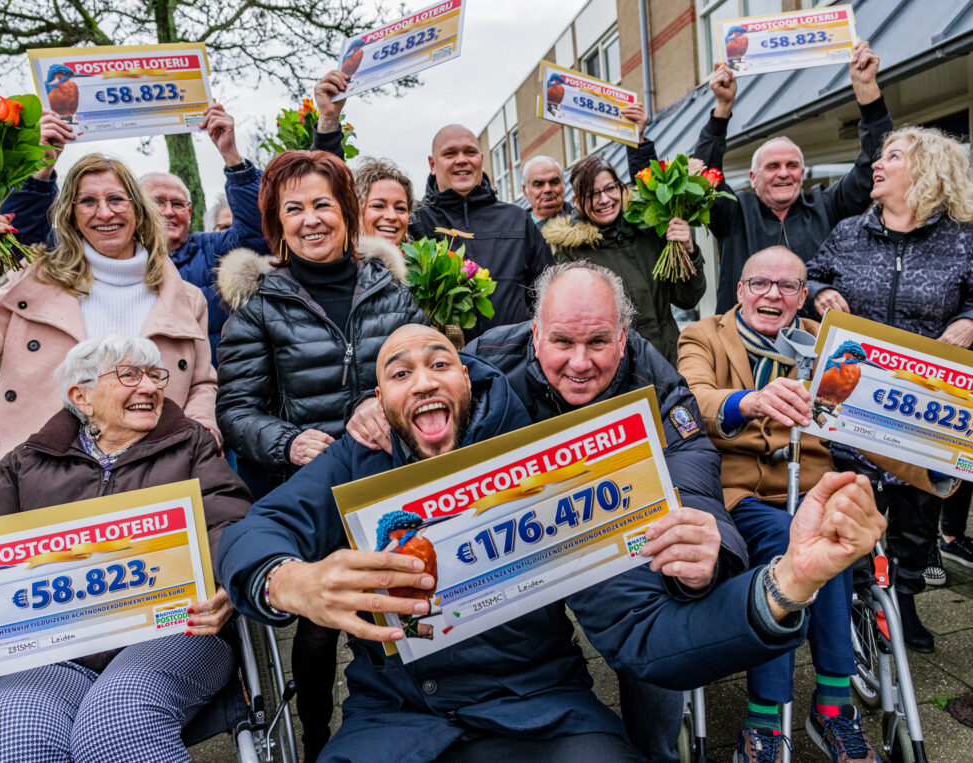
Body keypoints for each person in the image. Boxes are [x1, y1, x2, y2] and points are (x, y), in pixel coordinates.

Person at [218, 322, 886, 762]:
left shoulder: (548, 467)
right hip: (395, 717)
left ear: (471, 379)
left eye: (439, 363)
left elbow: (647, 637)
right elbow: (254, 530)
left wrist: (785, 583)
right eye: (398, 372)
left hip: (542, 710)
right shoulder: (357, 460)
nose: (422, 379)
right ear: (380, 402)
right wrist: (287, 581)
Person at [677, 246, 954, 763]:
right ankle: (764, 717)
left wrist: (941, 461)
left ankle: (832, 708)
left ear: (803, 296)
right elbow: (693, 399)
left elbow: (873, 425)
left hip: (815, 487)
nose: (772, 295)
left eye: (787, 287)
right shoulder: (704, 335)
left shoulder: (834, 346)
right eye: (760, 283)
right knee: (792, 539)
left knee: (835, 529)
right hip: (739, 492)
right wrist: (749, 401)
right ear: (740, 290)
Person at [463, 261, 736, 760]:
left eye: (598, 343)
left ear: (624, 334)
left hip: (613, 534)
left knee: (657, 611)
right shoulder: (485, 360)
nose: (581, 362)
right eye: (563, 342)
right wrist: (379, 410)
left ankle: (657, 752)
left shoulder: (650, 372)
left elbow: (691, 457)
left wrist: (705, 543)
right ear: (536, 334)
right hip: (520, 545)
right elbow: (421, 404)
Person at [215, 148, 426, 760]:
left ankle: (407, 711)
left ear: (347, 212)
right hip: (313, 482)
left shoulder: (389, 288)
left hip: (392, 472)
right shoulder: (258, 303)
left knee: (405, 591)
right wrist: (289, 440)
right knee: (318, 625)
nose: (311, 219)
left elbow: (422, 364)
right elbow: (237, 409)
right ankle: (315, 735)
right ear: (277, 223)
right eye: (294, 209)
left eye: (323, 205)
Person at [0, 334, 251, 762]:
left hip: (170, 633)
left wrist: (227, 582)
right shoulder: (29, 461)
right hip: (51, 651)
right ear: (81, 396)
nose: (149, 387)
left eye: (153, 374)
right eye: (128, 375)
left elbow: (231, 520)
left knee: (116, 723)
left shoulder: (190, 445)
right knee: (7, 736)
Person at [0, 154, 217, 502]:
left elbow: (202, 382)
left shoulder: (185, 297)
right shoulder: (35, 281)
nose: (104, 213)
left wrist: (202, 433)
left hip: (152, 482)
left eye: (116, 199)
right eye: (87, 201)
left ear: (138, 209)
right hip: (33, 482)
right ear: (71, 214)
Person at [807, 125, 973, 652]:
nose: (877, 165)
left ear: (926, 170)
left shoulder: (963, 236)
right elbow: (810, 275)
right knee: (853, 496)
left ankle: (902, 598)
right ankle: (860, 599)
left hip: (928, 400)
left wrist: (971, 320)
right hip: (855, 393)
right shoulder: (850, 232)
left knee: (917, 505)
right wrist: (823, 291)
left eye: (892, 156)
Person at [2, 104, 265, 365]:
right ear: (139, 208)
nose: (168, 211)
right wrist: (41, 168)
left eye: (178, 204)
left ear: (190, 210)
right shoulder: (85, 254)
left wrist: (233, 160)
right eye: (158, 202)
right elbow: (21, 242)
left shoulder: (212, 251)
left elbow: (258, 235)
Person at [310, 69, 556, 340]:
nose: (461, 160)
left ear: (481, 159)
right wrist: (329, 121)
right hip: (443, 367)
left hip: (516, 364)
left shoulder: (517, 220)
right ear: (432, 164)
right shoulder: (414, 221)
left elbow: (550, 293)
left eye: (470, 152)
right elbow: (332, 198)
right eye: (450, 154)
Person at [694, 41, 890, 313]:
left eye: (792, 165)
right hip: (743, 346)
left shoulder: (827, 206)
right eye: (773, 166)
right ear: (753, 177)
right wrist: (722, 108)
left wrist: (867, 90)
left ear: (802, 173)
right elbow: (703, 175)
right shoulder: (735, 212)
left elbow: (875, 165)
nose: (784, 173)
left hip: (815, 341)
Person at [542, 126, 704, 365]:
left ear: (620, 188)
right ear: (577, 202)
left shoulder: (648, 230)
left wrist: (689, 252)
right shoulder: (574, 256)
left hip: (671, 360)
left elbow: (687, 299)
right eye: (592, 194)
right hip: (620, 370)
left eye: (610, 188)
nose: (605, 199)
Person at [352, 157, 413, 247]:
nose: (392, 216)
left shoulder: (418, 260)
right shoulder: (335, 259)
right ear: (354, 211)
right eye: (378, 206)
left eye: (400, 208)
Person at [522, 155, 570, 227]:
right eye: (538, 184)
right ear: (525, 191)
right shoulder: (513, 234)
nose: (547, 189)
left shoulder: (587, 224)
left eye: (554, 182)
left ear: (564, 185)